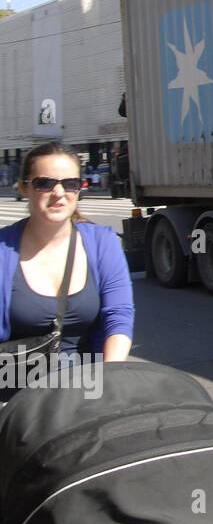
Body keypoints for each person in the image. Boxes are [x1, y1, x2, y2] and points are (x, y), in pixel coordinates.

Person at [0, 142, 134, 361]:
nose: (59, 193)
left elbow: (118, 317)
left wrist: (109, 380)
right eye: (45, 183)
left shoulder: (103, 243)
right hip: (18, 391)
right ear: (24, 188)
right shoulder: (3, 250)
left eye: (70, 183)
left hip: (89, 388)